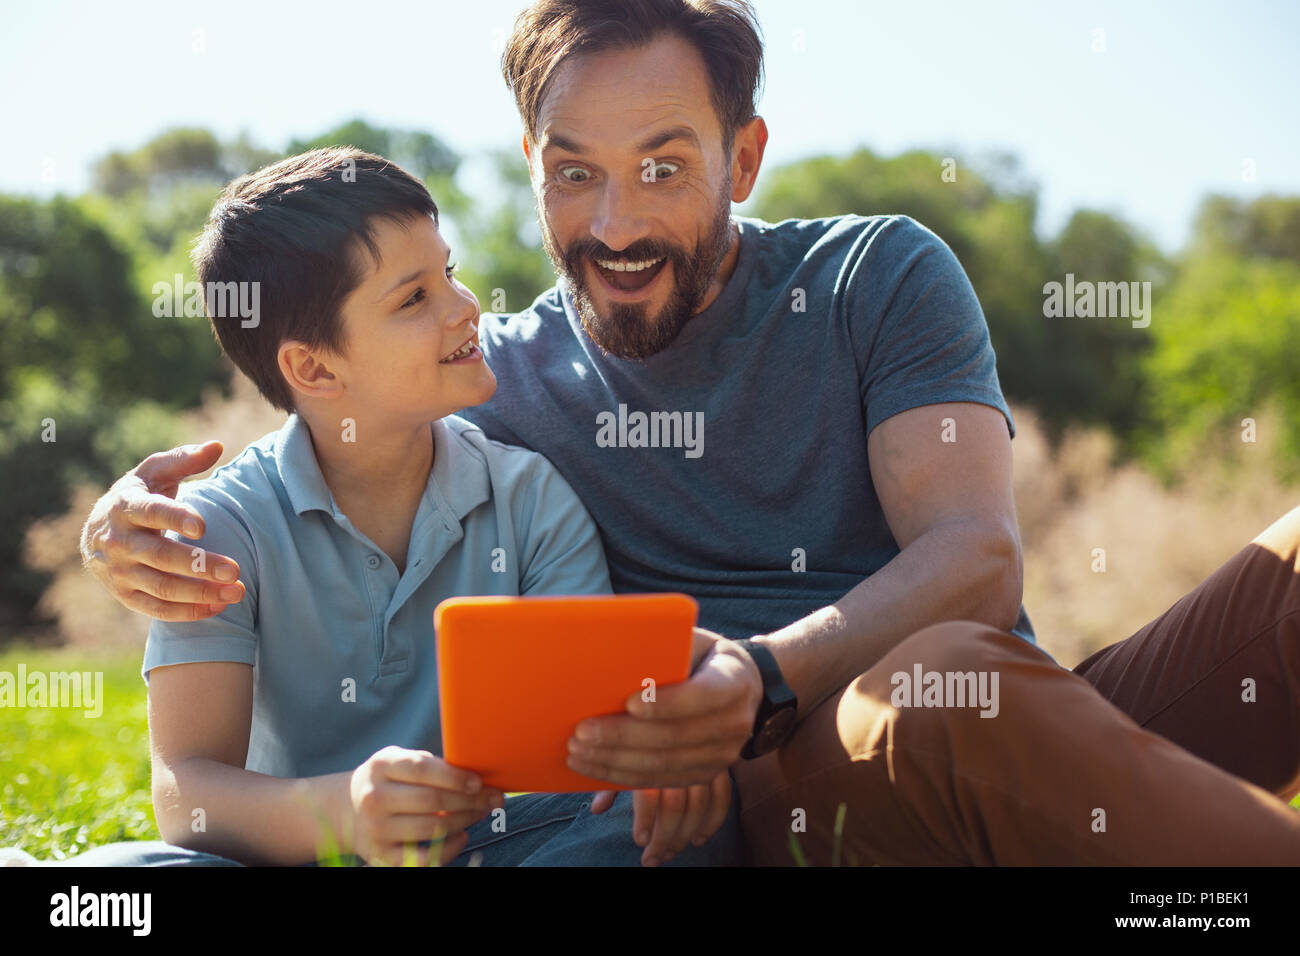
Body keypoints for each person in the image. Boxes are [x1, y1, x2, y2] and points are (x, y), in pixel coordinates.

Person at [79, 0, 1300, 865]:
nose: (614, 223)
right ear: (531, 167)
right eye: (574, 172)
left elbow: (976, 565)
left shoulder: (876, 274)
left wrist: (761, 669)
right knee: (948, 698)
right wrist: (124, 517)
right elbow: (327, 405)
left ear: (745, 157)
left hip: (1018, 717)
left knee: (994, 684)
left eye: (663, 167)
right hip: (783, 792)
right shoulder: (488, 373)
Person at [44, 147, 743, 868]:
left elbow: (592, 734)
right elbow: (185, 793)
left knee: (665, 823)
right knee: (118, 877)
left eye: (450, 274)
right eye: (414, 298)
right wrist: (344, 815)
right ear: (314, 368)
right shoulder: (221, 529)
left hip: (492, 847)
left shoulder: (530, 500)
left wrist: (656, 760)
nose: (466, 307)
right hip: (298, 853)